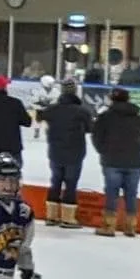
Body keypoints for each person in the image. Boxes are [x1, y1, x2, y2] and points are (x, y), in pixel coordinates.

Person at [92, 85, 140, 237]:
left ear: (112, 99)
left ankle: (109, 226)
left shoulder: (105, 116)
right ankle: (130, 227)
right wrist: (137, 149)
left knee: (111, 193)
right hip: (135, 161)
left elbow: (96, 137)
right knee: (131, 194)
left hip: (111, 161)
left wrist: (104, 151)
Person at [35, 75, 92, 227]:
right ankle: (68, 218)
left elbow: (40, 117)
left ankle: (51, 216)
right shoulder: (82, 111)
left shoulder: (53, 109)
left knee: (55, 181)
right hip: (75, 152)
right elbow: (90, 128)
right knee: (71, 183)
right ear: (75, 92)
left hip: (55, 151)